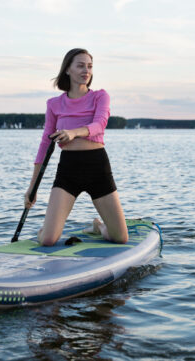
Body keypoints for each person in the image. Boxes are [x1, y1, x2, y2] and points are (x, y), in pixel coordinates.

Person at [25, 48, 129, 247]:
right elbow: (45, 144)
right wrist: (32, 188)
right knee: (48, 240)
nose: (86, 71)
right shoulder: (54, 104)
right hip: (69, 169)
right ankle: (45, 229)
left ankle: (99, 227)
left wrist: (73, 132)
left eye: (89, 66)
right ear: (67, 70)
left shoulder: (100, 96)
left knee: (120, 238)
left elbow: (99, 124)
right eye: (80, 66)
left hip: (97, 166)